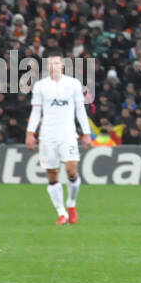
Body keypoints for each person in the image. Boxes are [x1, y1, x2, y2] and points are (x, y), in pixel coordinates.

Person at [25, 54, 91, 225]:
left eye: (56, 63)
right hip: (47, 135)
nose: (53, 66)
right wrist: (30, 133)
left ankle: (72, 203)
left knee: (71, 170)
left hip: (68, 134)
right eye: (50, 64)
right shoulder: (40, 86)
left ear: (62, 66)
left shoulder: (73, 84)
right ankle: (62, 213)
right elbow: (36, 112)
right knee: (52, 175)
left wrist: (86, 133)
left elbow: (80, 110)